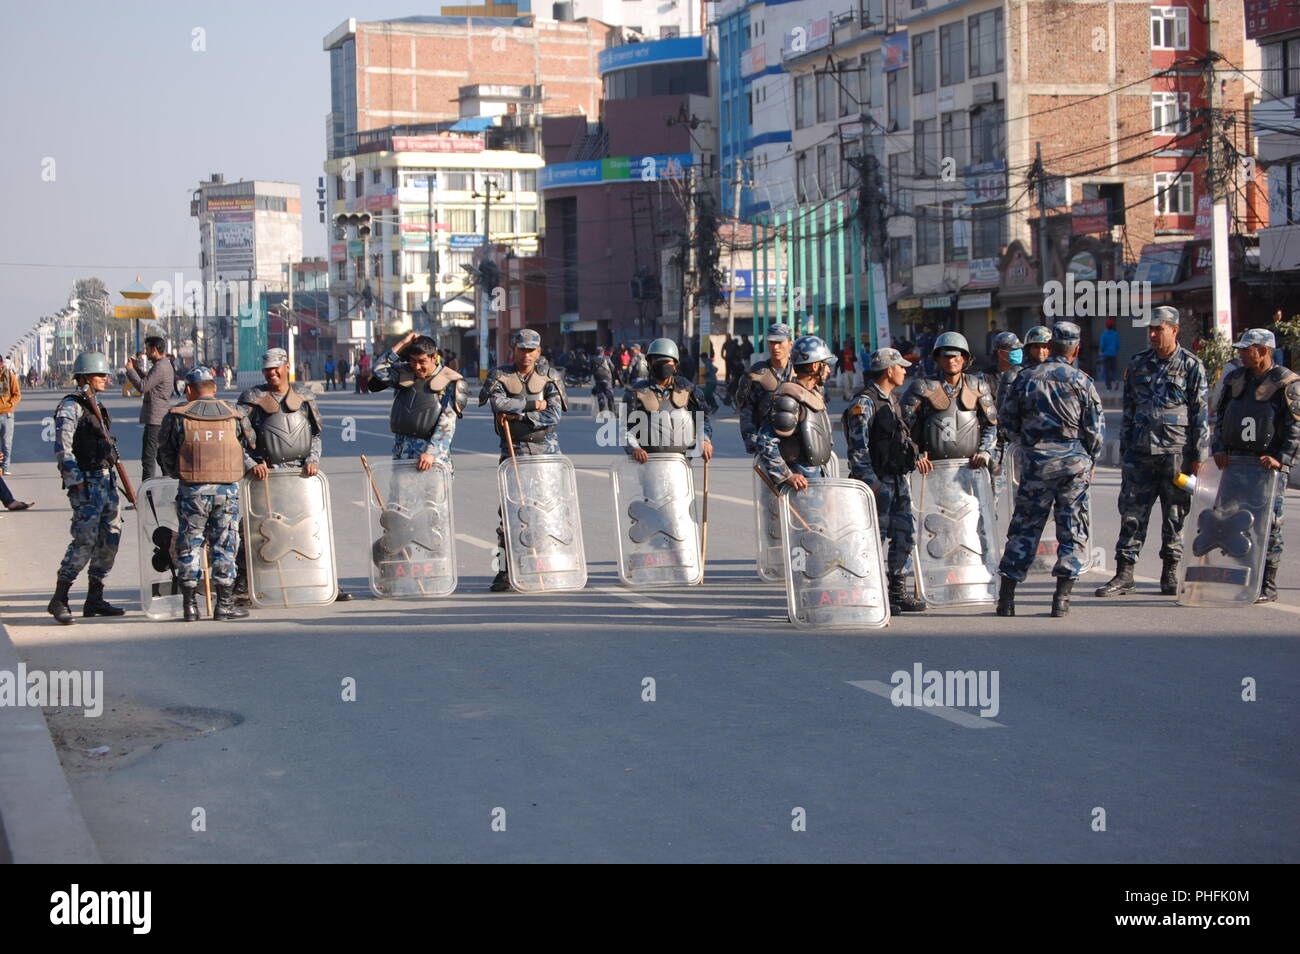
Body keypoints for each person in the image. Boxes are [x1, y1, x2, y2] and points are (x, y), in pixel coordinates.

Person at [1096, 306, 1208, 598]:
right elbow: (1128, 410)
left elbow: (1200, 416)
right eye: (1151, 329)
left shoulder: (1192, 366)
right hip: (1140, 455)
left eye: (1160, 329)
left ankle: (1170, 572)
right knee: (1132, 516)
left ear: (1175, 330)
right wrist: (1125, 451)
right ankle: (1125, 574)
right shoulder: (1138, 364)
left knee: (1175, 517)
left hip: (1175, 455)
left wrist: (1198, 458)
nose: (1154, 334)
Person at [995, 322, 1105, 617]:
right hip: (1073, 467)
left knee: (1024, 529)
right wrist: (1090, 459)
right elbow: (1095, 432)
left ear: (1051, 346)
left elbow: (1006, 421)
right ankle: (1061, 600)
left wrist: (1028, 444)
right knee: (1072, 530)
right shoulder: (1082, 381)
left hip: (1036, 464)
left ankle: (1006, 599)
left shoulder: (1026, 378)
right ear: (1076, 349)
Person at [239, 348, 352, 603]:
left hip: (300, 475)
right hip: (266, 475)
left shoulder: (303, 396)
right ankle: (242, 584)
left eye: (276, 368)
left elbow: (314, 435)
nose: (272, 374)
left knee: (313, 527)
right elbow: (236, 439)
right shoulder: (252, 398)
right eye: (267, 369)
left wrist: (312, 459)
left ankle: (327, 581)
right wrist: (250, 464)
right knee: (257, 531)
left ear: (286, 367)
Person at [159, 367, 259, 622]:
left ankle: (190, 606)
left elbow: (165, 452)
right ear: (214, 388)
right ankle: (224, 605)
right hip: (227, 491)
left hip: (193, 491)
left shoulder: (177, 415)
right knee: (225, 545)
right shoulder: (234, 414)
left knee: (190, 544)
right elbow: (250, 443)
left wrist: (178, 473)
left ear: (189, 389)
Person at [1211, 328, 1300, 603]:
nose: (1240, 354)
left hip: (1266, 467)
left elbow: (1296, 427)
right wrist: (1218, 449)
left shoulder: (1286, 382)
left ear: (1262, 350)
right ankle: (1246, 579)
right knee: (1236, 522)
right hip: (1236, 462)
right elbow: (1221, 416)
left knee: (1269, 524)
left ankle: (1268, 585)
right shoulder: (1235, 378)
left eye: (1246, 349)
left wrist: (1282, 459)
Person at [844, 348, 931, 613]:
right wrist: (871, 482)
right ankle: (870, 591)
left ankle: (896, 592)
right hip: (878, 483)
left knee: (905, 535)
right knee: (872, 540)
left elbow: (898, 440)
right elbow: (858, 447)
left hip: (897, 480)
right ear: (888, 370)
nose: (905, 371)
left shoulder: (892, 400)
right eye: (900, 367)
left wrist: (915, 457)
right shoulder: (865, 402)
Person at [482, 329, 567, 592]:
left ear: (539, 351)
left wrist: (519, 415)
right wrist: (531, 406)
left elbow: (554, 414)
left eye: (532, 350)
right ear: (514, 350)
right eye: (522, 349)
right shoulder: (500, 376)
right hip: (513, 450)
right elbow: (497, 403)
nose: (526, 354)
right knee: (509, 514)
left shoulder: (550, 378)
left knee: (547, 509)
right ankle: (503, 571)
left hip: (545, 452)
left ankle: (546, 562)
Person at [47, 352, 127, 624]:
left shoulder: (97, 405)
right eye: (100, 375)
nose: (105, 379)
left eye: (105, 375)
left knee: (111, 538)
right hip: (87, 483)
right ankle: (60, 597)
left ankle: (95, 596)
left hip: (106, 480)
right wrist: (75, 481)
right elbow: (63, 448)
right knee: (84, 539)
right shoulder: (71, 407)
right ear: (83, 377)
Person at [901, 331, 998, 474]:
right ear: (938, 360)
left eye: (955, 356)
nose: (951, 361)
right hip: (931, 469)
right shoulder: (922, 387)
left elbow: (991, 426)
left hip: (970, 469)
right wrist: (916, 454)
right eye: (946, 357)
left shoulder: (978, 387)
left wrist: (985, 452)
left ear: (964, 359)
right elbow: (903, 428)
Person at [368, 333, 467, 467]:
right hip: (402, 454)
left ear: (434, 357)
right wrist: (403, 343)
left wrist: (431, 452)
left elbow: (447, 423)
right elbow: (378, 370)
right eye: (413, 360)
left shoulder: (450, 381)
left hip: (432, 460)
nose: (417, 366)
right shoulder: (404, 373)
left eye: (422, 361)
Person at [754, 335, 835, 491]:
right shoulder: (790, 399)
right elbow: (765, 441)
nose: (829, 370)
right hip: (799, 488)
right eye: (825, 364)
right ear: (815, 367)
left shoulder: (812, 395)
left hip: (817, 481)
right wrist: (786, 475)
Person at [622, 338, 714, 464]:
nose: (662, 365)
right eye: (657, 360)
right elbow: (625, 428)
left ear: (675, 365)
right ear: (649, 363)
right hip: (648, 465)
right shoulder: (635, 392)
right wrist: (635, 448)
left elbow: (702, 419)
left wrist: (704, 440)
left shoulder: (688, 389)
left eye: (666, 361)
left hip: (680, 464)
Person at [123, 335, 177, 481]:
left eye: (147, 349)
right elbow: (148, 380)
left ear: (154, 350)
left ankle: (147, 497)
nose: (145, 353)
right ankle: (169, 489)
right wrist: (136, 368)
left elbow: (143, 386)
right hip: (159, 417)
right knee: (161, 457)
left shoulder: (160, 366)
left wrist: (129, 371)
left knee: (148, 458)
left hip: (156, 419)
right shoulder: (163, 365)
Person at [736, 323, 795, 454]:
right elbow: (746, 411)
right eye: (772, 342)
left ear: (790, 343)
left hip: (797, 446)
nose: (775, 347)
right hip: (766, 446)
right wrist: (752, 440)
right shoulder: (756, 375)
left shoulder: (801, 373)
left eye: (780, 342)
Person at [0, 353, 22, 474]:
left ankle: (5, 467)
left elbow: (17, 394)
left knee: (6, 444)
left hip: (7, 415)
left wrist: (10, 405)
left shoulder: (9, 376)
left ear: (1, 364)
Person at [591, 347, 616, 414]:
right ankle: (612, 411)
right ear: (602, 352)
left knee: (600, 394)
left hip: (598, 378)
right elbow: (612, 367)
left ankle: (602, 411)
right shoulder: (607, 358)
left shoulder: (593, 359)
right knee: (609, 395)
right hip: (606, 378)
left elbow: (591, 369)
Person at [1098, 318, 1121, 391]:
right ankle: (1116, 380)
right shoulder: (1116, 334)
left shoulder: (1103, 335)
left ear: (1106, 326)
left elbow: (1102, 346)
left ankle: (1109, 387)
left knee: (1106, 371)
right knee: (1113, 370)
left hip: (1106, 355)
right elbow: (1118, 345)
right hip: (1113, 354)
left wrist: (1102, 351)